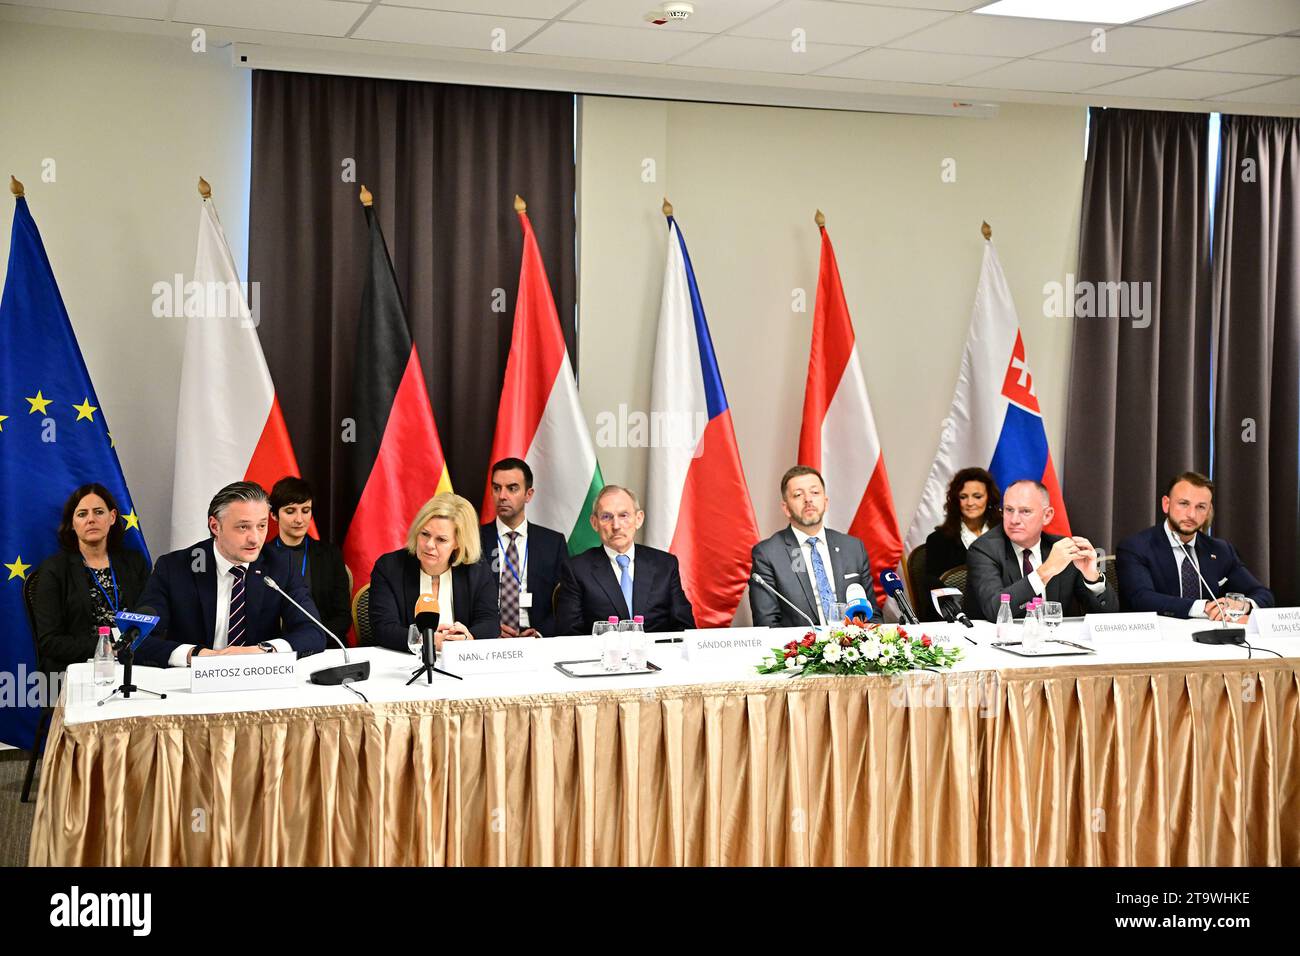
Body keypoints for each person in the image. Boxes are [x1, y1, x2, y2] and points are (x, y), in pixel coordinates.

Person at [134, 481, 326, 667]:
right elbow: (137, 639)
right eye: (243, 527)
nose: (255, 539)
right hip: (191, 682)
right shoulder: (175, 567)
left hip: (259, 677)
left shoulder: (280, 565)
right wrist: (195, 655)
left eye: (261, 526)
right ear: (215, 526)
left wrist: (263, 651)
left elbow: (313, 632)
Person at [1117, 471, 1273, 619]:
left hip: (1211, 638)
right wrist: (1203, 607)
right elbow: (1140, 598)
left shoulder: (1221, 550)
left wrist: (1243, 605)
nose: (1191, 514)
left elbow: (1263, 594)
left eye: (1200, 507)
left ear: (1208, 511)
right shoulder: (1136, 547)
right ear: (1166, 504)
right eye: (1184, 504)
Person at [32, 484, 150, 674]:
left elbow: (151, 618)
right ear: (72, 523)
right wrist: (106, 648)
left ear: (112, 517)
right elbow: (49, 641)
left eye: (98, 512)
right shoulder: (54, 569)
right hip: (77, 669)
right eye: (82, 514)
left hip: (135, 665)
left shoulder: (135, 563)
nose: (91, 520)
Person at [965, 478, 1115, 621]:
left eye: (1025, 511)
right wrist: (1045, 571)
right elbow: (995, 610)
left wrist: (1092, 577)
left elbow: (1109, 616)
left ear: (1047, 515)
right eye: (1009, 510)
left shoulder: (1062, 548)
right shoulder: (984, 550)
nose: (1014, 520)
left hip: (1056, 642)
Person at [750, 465, 879, 627]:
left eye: (815, 492)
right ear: (786, 508)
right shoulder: (768, 554)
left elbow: (873, 615)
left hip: (853, 647)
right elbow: (767, 624)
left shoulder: (852, 548)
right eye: (798, 494)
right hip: (799, 649)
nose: (808, 499)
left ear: (826, 502)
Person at [369, 492, 499, 652]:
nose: (429, 544)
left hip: (458, 663)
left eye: (441, 539)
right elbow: (383, 628)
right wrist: (426, 641)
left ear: (458, 542)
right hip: (404, 663)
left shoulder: (476, 570)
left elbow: (490, 622)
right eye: (425, 534)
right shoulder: (389, 567)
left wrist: (468, 637)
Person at [555, 485, 695, 634]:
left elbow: (685, 628)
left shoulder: (665, 564)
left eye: (624, 515)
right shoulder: (576, 569)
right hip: (602, 656)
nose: (616, 526)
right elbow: (569, 634)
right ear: (594, 523)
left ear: (638, 519)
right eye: (606, 517)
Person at [478, 457, 568, 638]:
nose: (502, 496)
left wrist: (541, 634)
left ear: (529, 494)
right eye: (496, 488)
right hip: (488, 640)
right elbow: (464, 599)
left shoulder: (553, 542)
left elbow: (566, 601)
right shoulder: (474, 539)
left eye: (512, 488)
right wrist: (489, 630)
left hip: (538, 640)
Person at [268, 476, 353, 641]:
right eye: (290, 511)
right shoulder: (260, 558)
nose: (299, 519)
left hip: (324, 646)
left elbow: (342, 617)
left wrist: (312, 641)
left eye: (305, 510)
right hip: (277, 653)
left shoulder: (330, 554)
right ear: (274, 515)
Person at [921, 468, 1000, 620]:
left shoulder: (1004, 534)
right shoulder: (938, 540)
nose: (970, 503)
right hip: (952, 618)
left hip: (996, 614)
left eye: (977, 496)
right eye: (963, 497)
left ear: (989, 498)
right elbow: (932, 586)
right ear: (956, 500)